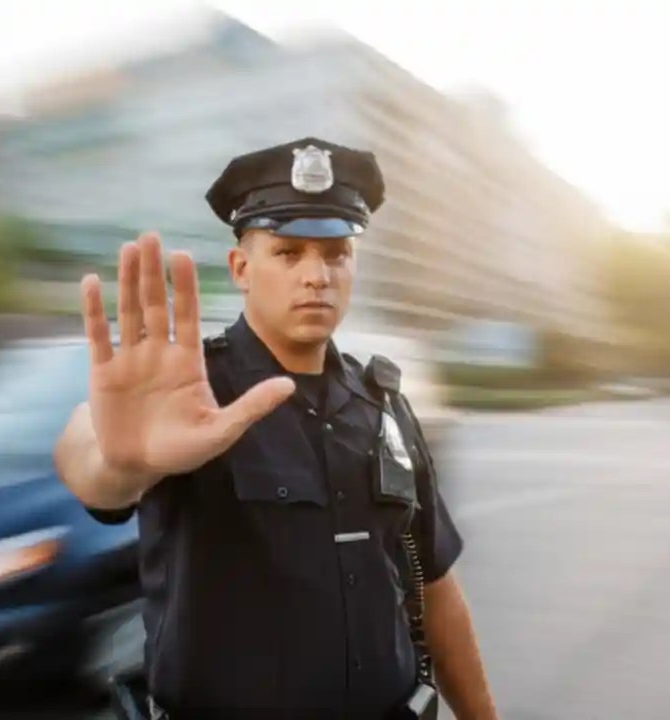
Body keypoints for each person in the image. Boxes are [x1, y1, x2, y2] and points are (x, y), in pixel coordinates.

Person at [54, 137, 497, 719]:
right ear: (242, 267)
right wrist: (121, 464)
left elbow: (436, 587)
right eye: (288, 253)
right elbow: (88, 460)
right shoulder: (190, 396)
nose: (317, 276)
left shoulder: (383, 404)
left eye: (336, 253)